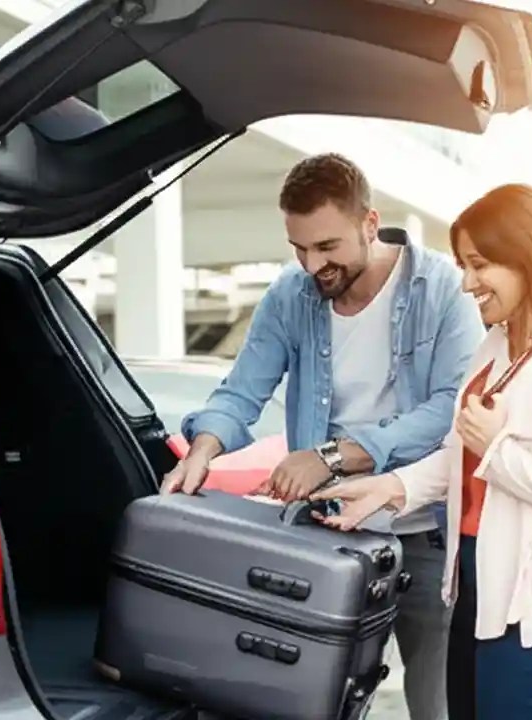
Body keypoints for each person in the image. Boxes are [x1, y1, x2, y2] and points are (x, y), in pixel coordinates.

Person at [161, 153, 484, 720]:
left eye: (327, 247)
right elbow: (242, 390)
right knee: (310, 703)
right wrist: (202, 452)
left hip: (427, 534)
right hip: (326, 537)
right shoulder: (290, 294)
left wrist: (331, 457)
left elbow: (448, 411)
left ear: (368, 223)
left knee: (439, 707)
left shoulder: (444, 290)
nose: (313, 265)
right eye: (299, 248)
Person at [309, 183, 532, 720]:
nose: (467, 283)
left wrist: (498, 451)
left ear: (528, 257)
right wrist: (391, 488)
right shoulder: (497, 344)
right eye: (463, 265)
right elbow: (461, 456)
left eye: (480, 265)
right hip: (476, 587)